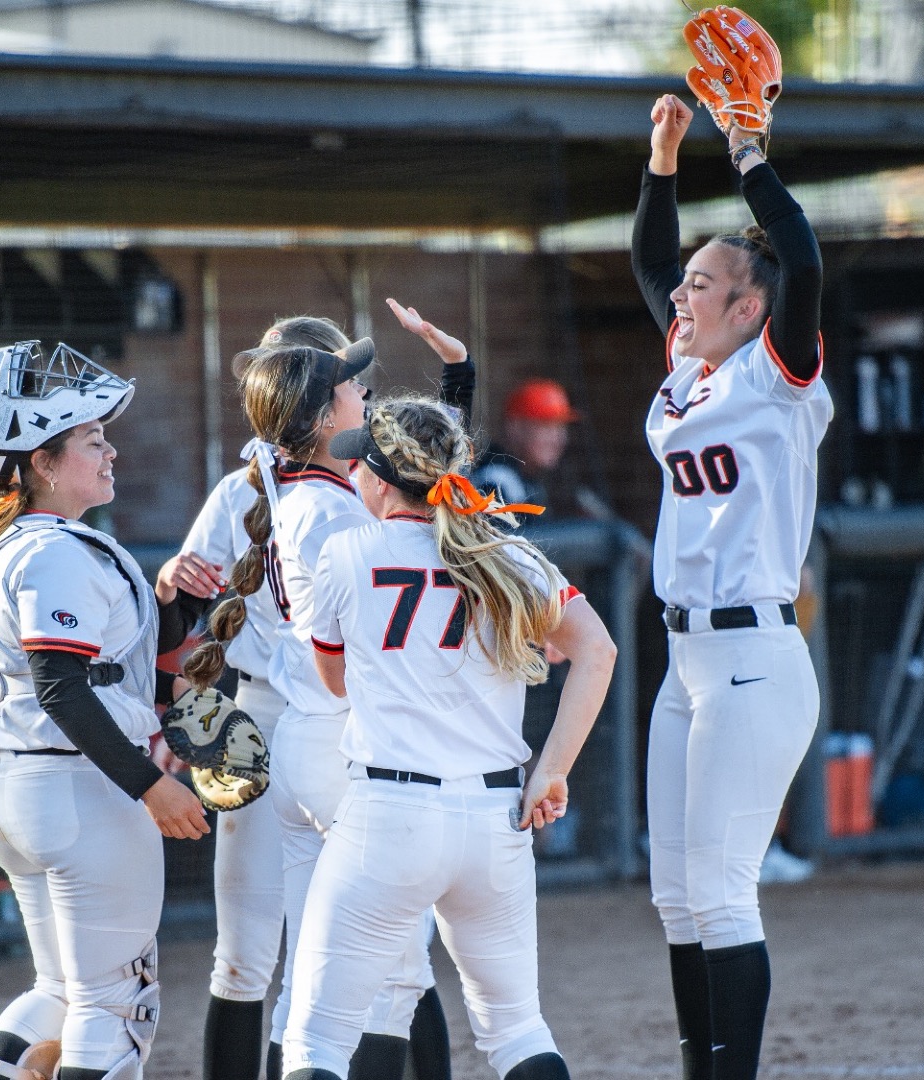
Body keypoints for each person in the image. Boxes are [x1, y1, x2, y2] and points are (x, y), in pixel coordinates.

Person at [276, 397, 615, 1080]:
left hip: (388, 818)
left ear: (377, 479)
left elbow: (335, 681)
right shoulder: (504, 549)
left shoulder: (346, 550)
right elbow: (597, 650)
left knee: (316, 1045)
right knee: (518, 1032)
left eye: (360, 467)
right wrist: (552, 771)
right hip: (495, 820)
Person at [170, 309, 470, 1080]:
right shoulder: (287, 497)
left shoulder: (331, 491)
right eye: (347, 382)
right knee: (277, 956)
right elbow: (427, 501)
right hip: (294, 716)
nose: (363, 394)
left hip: (311, 723)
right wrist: (175, 585)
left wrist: (455, 385)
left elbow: (417, 478)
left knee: (339, 953)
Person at [0, 340, 214, 1080]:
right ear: (42, 463)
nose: (111, 451)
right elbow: (63, 689)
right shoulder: (54, 550)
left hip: (26, 788)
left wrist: (171, 602)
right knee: (115, 1000)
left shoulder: (15, 542)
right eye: (92, 440)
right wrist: (150, 783)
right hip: (80, 789)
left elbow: (105, 669)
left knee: (62, 991)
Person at [633, 91, 831, 1080]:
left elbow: (803, 257)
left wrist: (747, 152)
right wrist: (665, 157)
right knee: (676, 897)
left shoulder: (777, 371)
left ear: (747, 307)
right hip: (686, 661)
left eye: (702, 285)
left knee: (721, 893)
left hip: (753, 658)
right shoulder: (689, 369)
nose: (680, 295)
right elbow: (648, 265)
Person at [469, 379, 605, 519]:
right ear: (515, 428)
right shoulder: (496, 479)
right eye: (547, 427)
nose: (557, 439)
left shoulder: (526, 477)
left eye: (561, 428)